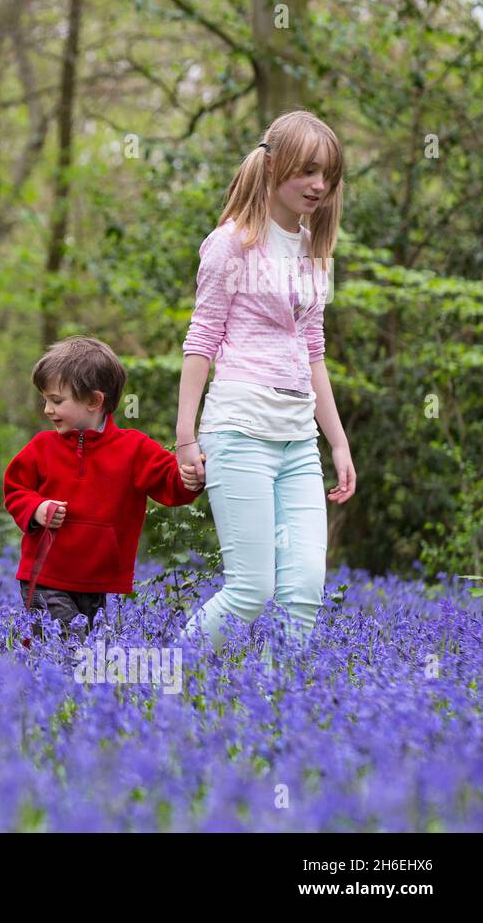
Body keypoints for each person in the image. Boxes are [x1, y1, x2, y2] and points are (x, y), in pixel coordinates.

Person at [176, 110, 357, 657]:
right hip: (239, 430)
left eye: (327, 175)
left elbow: (313, 351)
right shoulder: (231, 243)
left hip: (298, 440)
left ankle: (281, 712)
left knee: (304, 591)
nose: (319, 186)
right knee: (251, 590)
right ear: (273, 165)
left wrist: (338, 441)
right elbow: (201, 340)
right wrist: (186, 438)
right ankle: (155, 684)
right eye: (307, 172)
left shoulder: (314, 249)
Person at [4, 336, 204, 640]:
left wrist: (189, 478)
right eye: (45, 399)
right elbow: (15, 488)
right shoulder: (42, 447)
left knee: (84, 649)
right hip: (44, 575)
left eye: (57, 401)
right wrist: (37, 509)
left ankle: (38, 683)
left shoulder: (134, 449)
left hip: (96, 579)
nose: (47, 409)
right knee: (71, 645)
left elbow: (170, 483)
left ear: (94, 401)